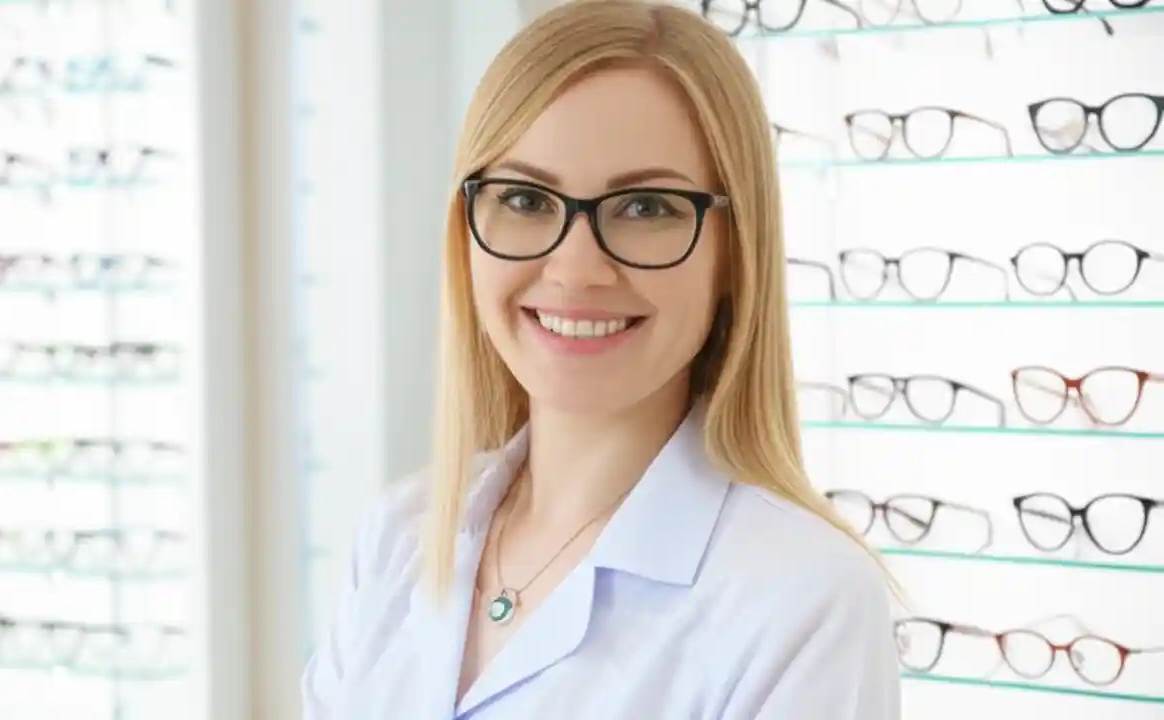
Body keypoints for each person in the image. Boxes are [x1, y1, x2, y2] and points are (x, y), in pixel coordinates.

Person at [302, 1, 900, 718]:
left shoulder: (805, 601)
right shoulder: (399, 536)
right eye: (526, 199)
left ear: (735, 254)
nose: (576, 270)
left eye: (645, 208)